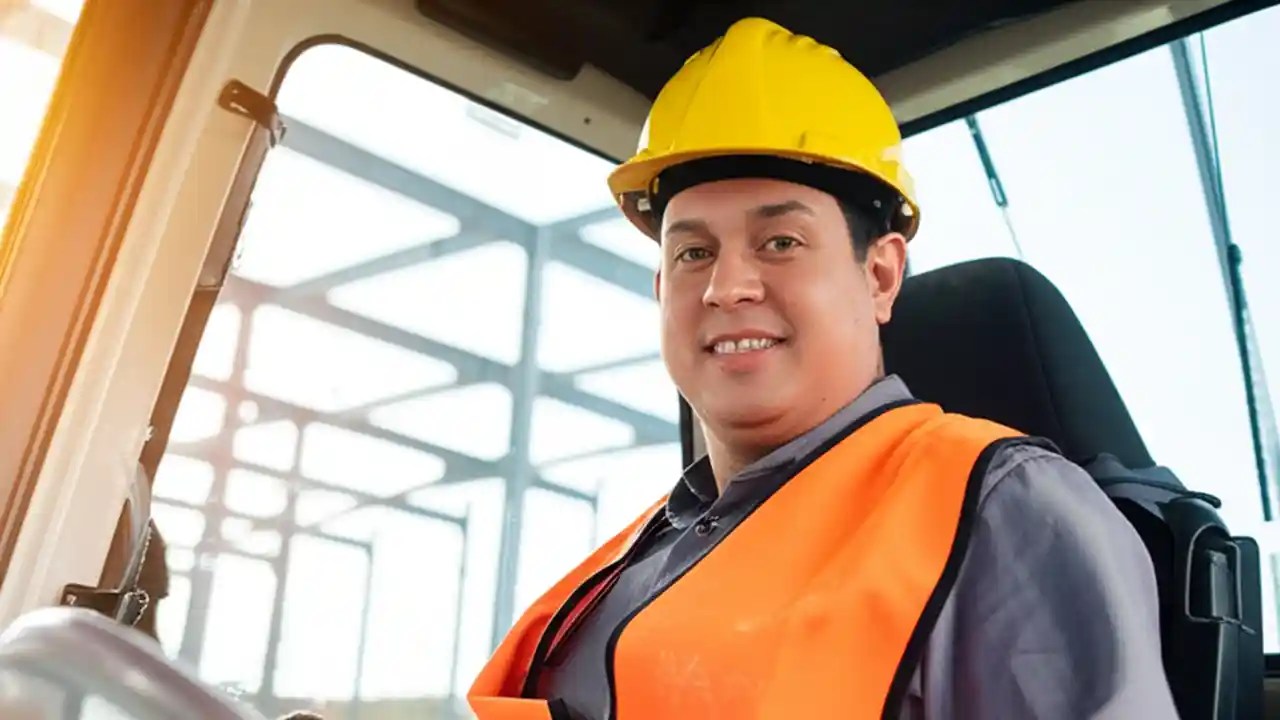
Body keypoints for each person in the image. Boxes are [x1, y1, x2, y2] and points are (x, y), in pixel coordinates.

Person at [468, 16, 1179, 719]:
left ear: (879, 275)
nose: (725, 286)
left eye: (779, 241)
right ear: (661, 291)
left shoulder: (1001, 510)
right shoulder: (626, 564)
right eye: (693, 253)